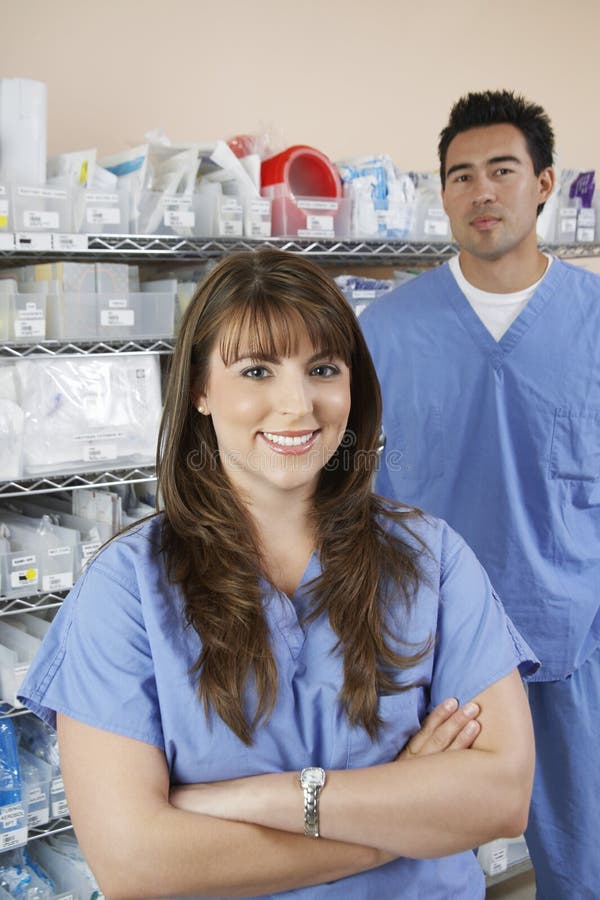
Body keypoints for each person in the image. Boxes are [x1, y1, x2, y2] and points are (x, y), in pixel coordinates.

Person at [19, 248, 537, 900]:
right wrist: (403, 817)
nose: (296, 404)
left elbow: (501, 800)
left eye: (323, 368)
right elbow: (136, 863)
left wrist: (274, 798)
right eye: (257, 370)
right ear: (200, 389)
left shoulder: (430, 559)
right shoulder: (127, 589)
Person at [360, 90, 600, 900]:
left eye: (502, 169)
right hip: (430, 646)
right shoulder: (385, 330)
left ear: (543, 183)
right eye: (460, 176)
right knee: (420, 862)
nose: (481, 191)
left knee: (582, 856)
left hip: (576, 638)